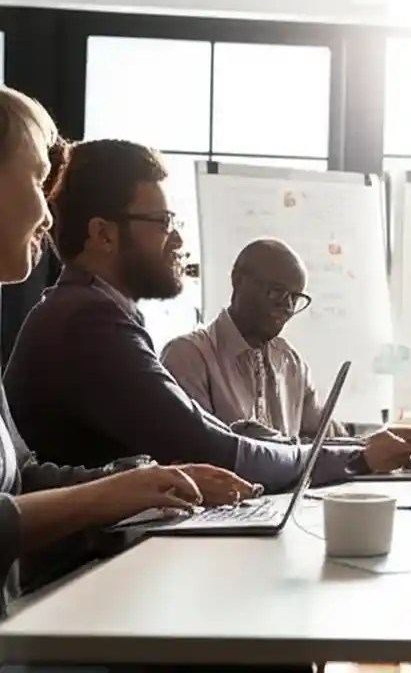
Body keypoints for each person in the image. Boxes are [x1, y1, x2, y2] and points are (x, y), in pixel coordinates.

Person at [3, 139, 411, 494]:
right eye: (163, 221)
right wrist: (357, 459)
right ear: (103, 234)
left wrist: (357, 448)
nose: (177, 240)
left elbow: (210, 435)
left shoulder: (91, 312)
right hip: (73, 579)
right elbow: (209, 447)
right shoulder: (87, 323)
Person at [0, 86, 258, 625]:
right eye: (34, 178)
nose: (49, 216)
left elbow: (21, 479)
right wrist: (115, 491)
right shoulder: (84, 319)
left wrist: (137, 478)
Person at [161, 238, 346, 441]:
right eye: (276, 292)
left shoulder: (291, 362)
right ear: (238, 280)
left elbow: (326, 438)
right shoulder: (188, 356)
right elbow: (200, 451)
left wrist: (368, 446)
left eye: (294, 298)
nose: (287, 307)